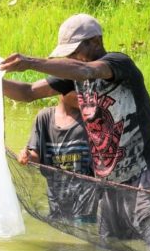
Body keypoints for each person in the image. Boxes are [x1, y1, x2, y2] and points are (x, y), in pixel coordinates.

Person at [0, 14, 150, 249]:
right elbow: (28, 92)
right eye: (69, 53)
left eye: (75, 51)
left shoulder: (118, 63)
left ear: (96, 41)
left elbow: (86, 71)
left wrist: (32, 62)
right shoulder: (73, 77)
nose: (71, 57)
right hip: (110, 185)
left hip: (146, 177)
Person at [19, 90, 98, 224]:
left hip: (86, 204)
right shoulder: (44, 118)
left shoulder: (90, 120)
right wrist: (26, 156)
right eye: (75, 89)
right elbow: (35, 155)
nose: (82, 95)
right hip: (56, 202)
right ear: (60, 89)